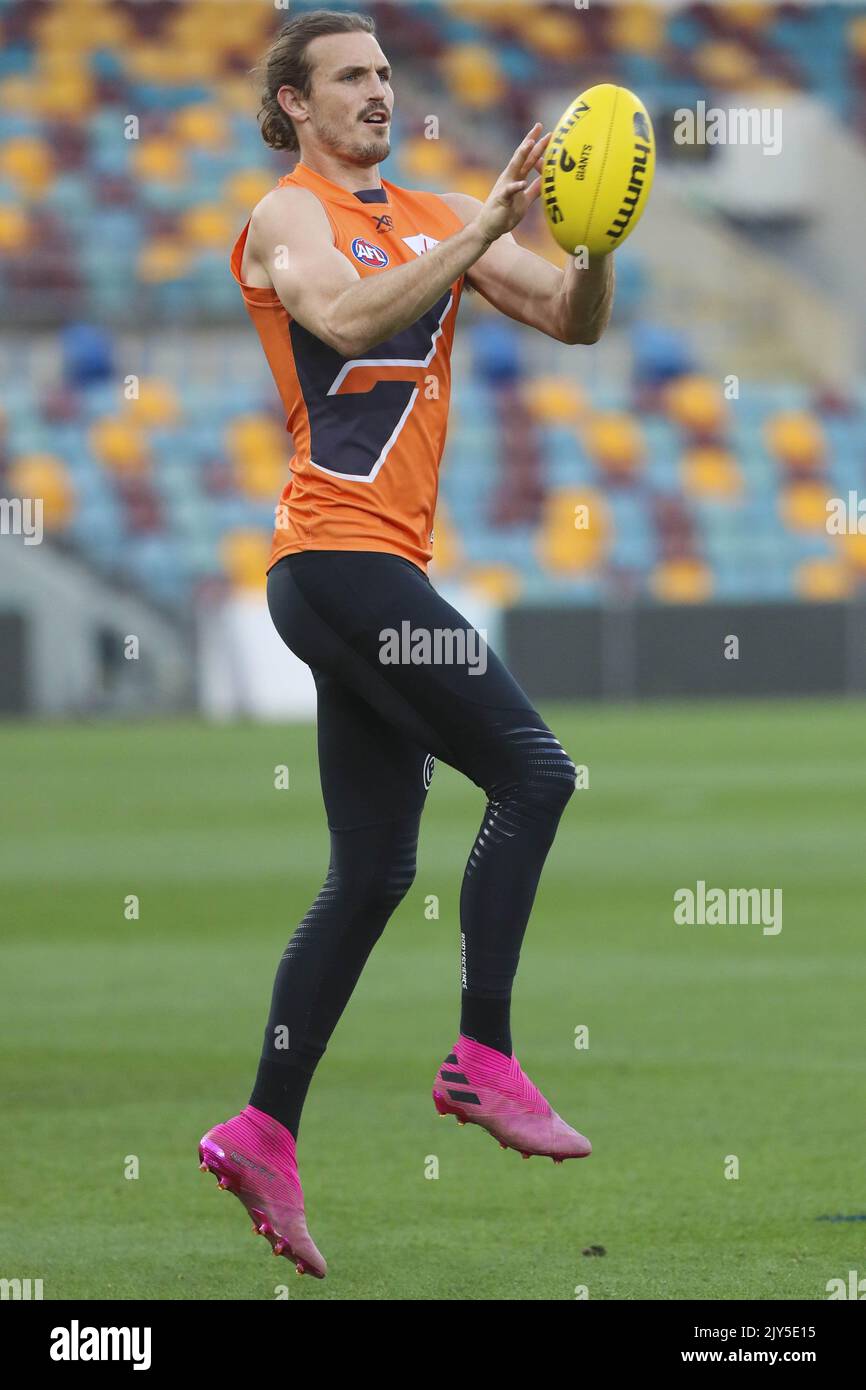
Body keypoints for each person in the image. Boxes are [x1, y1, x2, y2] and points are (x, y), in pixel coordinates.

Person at [199, 8, 614, 1279]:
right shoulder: (289, 218)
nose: (379, 93)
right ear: (291, 109)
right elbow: (341, 322)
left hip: (367, 572)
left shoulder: (438, 210)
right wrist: (485, 226)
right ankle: (483, 1055)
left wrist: (590, 238)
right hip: (336, 561)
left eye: (385, 72)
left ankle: (263, 1129)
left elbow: (570, 318)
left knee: (374, 870)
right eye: (348, 78)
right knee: (535, 773)